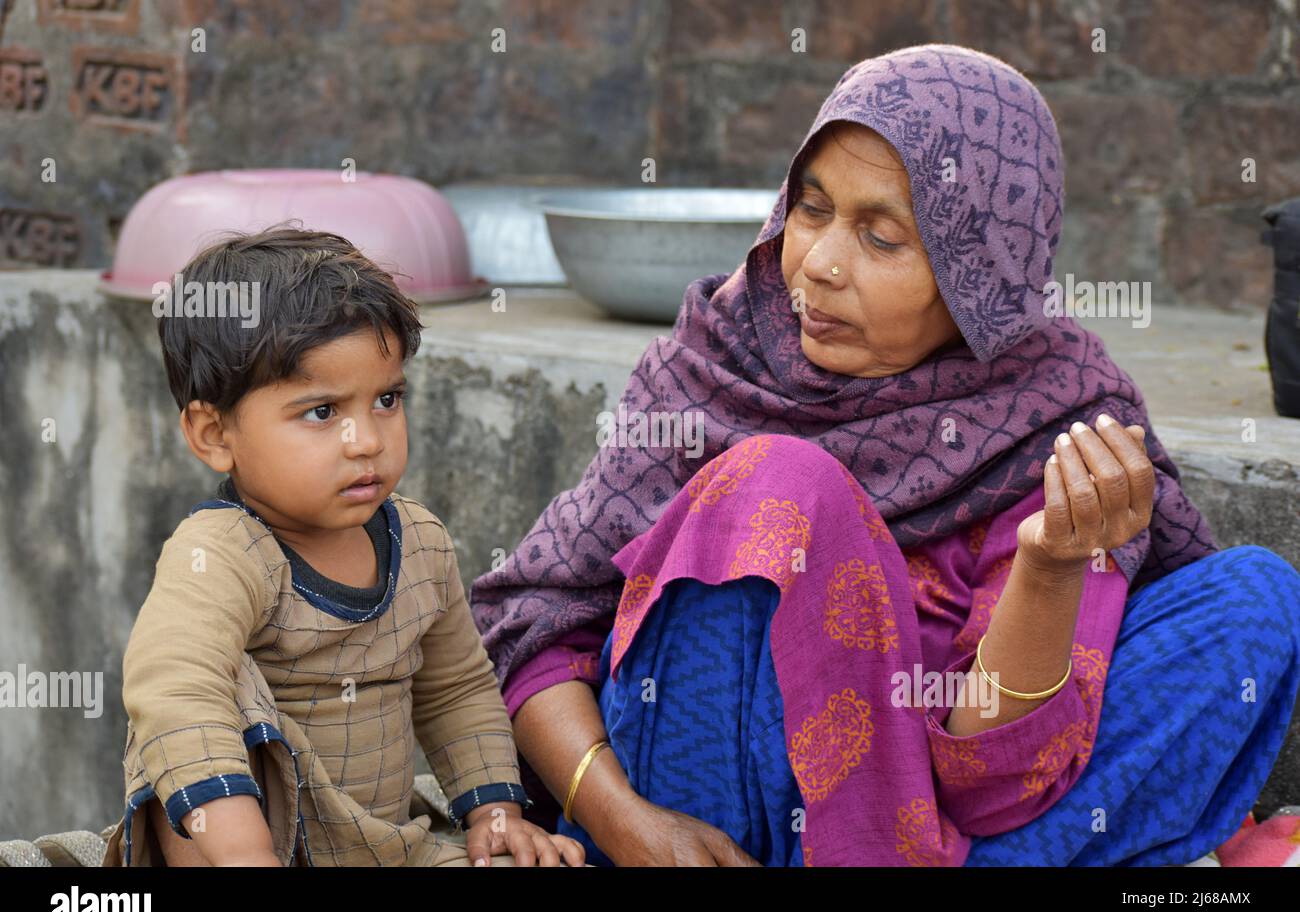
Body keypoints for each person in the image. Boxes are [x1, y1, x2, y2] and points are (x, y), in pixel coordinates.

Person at [470, 44, 1300, 866]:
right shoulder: (711, 369)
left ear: (982, 272)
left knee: (1256, 600)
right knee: (783, 481)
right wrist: (624, 824)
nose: (820, 266)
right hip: (708, 815)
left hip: (945, 818)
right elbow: (534, 625)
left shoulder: (1060, 422)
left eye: (882, 237)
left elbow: (995, 785)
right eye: (813, 208)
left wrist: (1049, 572)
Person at [101, 227, 584, 868]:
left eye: (386, 399)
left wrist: (496, 814)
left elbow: (457, 690)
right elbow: (173, 691)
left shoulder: (419, 542)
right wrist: (248, 858)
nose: (366, 440)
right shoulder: (221, 553)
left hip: (382, 848)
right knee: (202, 688)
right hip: (252, 851)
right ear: (215, 433)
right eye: (323, 411)